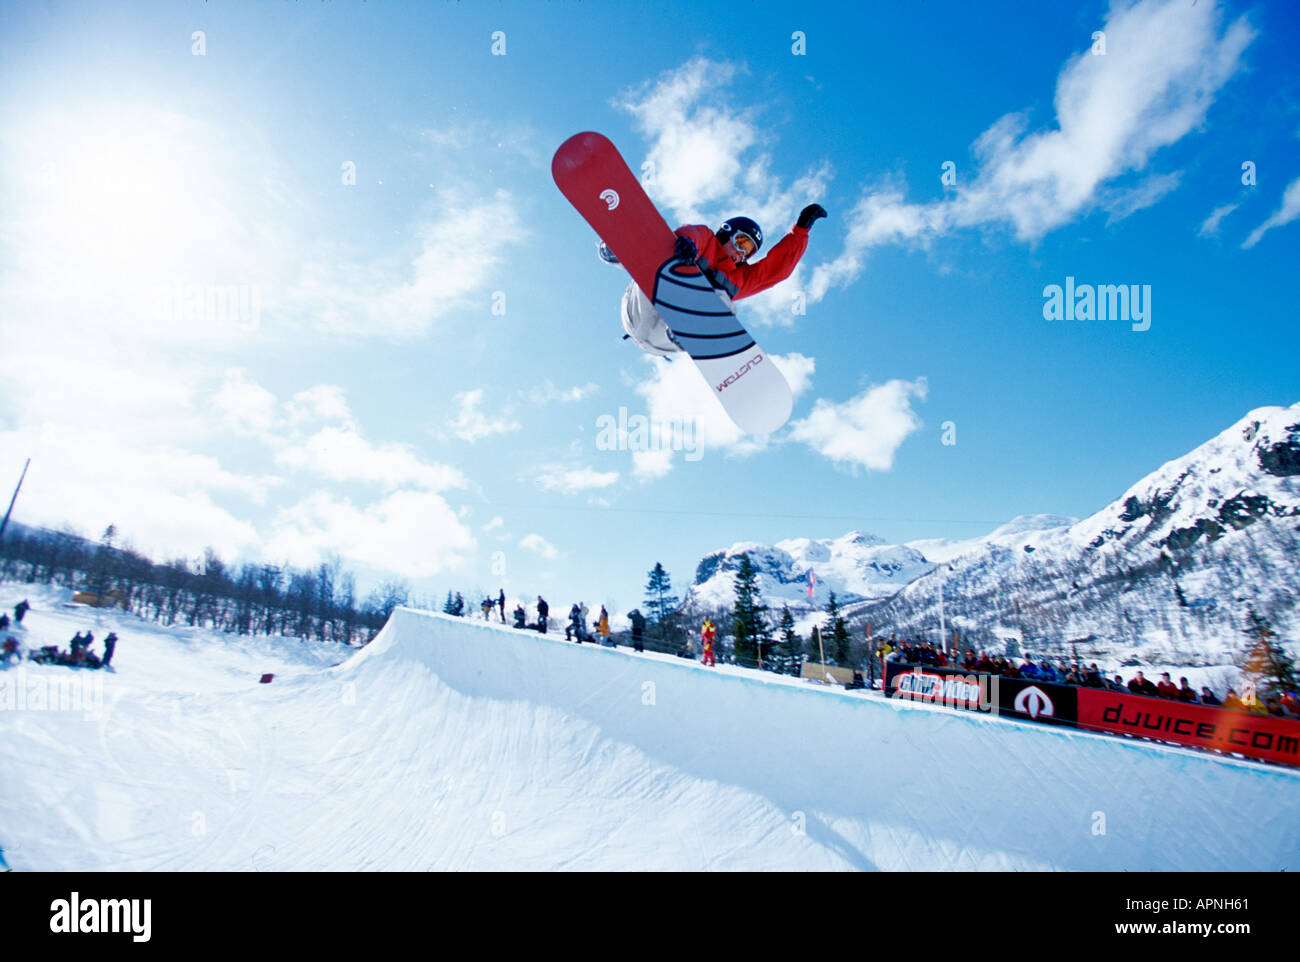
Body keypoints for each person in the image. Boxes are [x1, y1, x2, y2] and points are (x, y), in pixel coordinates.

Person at [611, 207, 827, 357]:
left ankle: (688, 330)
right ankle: (617, 249)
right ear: (727, 233)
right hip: (640, 306)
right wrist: (686, 243)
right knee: (667, 251)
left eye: (748, 251)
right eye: (741, 242)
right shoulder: (705, 240)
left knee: (723, 300)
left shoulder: (738, 278)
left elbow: (775, 271)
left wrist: (800, 232)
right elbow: (694, 233)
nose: (741, 253)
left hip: (664, 340)